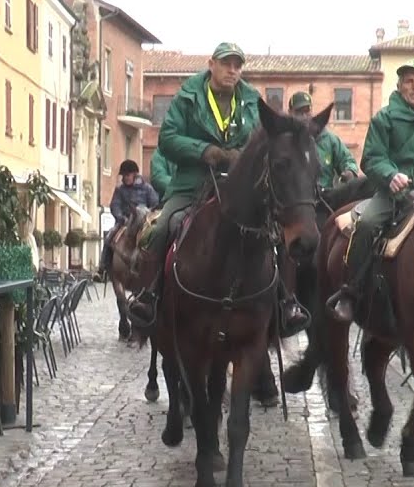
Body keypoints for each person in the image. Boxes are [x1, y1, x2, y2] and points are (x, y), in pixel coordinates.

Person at [127, 42, 307, 333]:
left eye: (237, 65)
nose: (232, 70)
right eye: (227, 64)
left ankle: (287, 301)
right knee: (162, 228)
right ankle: (149, 295)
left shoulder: (251, 100)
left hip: (241, 186)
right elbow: (168, 139)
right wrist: (206, 151)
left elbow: (266, 142)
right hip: (192, 183)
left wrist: (245, 154)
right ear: (212, 64)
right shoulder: (187, 97)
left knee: (276, 231)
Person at [324, 58, 414, 323]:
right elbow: (372, 158)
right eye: (409, 81)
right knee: (366, 224)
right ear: (400, 86)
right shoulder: (385, 118)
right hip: (395, 195)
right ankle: (350, 292)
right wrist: (391, 175)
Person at [288, 91, 359, 191]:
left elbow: (347, 159)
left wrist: (350, 171)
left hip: (325, 197)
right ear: (289, 113)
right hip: (296, 200)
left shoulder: (328, 139)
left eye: (307, 111)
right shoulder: (285, 141)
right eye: (299, 112)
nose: (304, 116)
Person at [100, 159, 159, 279]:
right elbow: (115, 205)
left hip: (144, 223)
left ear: (135, 174)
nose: (125, 178)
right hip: (125, 222)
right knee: (109, 237)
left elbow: (154, 204)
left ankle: (156, 268)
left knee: (155, 237)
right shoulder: (120, 190)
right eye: (124, 175)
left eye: (127, 175)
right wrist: (121, 217)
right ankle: (103, 269)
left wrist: (148, 216)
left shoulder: (147, 188)